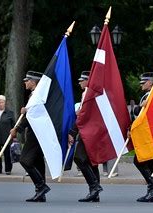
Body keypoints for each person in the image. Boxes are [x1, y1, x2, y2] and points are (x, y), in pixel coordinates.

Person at [10, 71, 50, 202]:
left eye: (27, 80)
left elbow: (33, 116)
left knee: (25, 160)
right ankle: (40, 193)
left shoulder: (37, 96)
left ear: (33, 82)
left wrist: (17, 128)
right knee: (38, 162)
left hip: (36, 134)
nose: (25, 82)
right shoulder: (35, 95)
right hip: (37, 134)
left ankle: (41, 186)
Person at [68, 70, 103, 202]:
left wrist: (73, 131)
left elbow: (85, 116)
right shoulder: (88, 94)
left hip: (89, 132)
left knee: (79, 158)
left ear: (89, 81)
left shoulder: (90, 94)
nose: (80, 82)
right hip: (92, 132)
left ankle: (94, 187)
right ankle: (95, 193)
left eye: (82, 80)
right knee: (91, 162)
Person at [132, 72, 153, 202]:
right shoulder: (147, 95)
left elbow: (144, 114)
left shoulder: (152, 95)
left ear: (150, 82)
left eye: (143, 83)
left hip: (149, 134)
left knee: (138, 160)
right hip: (148, 134)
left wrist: (139, 107)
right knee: (150, 164)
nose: (141, 85)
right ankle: (152, 192)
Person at [0, 95, 15, 175]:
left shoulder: (10, 113)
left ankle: (8, 169)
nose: (1, 104)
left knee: (7, 154)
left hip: (6, 136)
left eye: (3, 102)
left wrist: (13, 132)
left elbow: (14, 125)